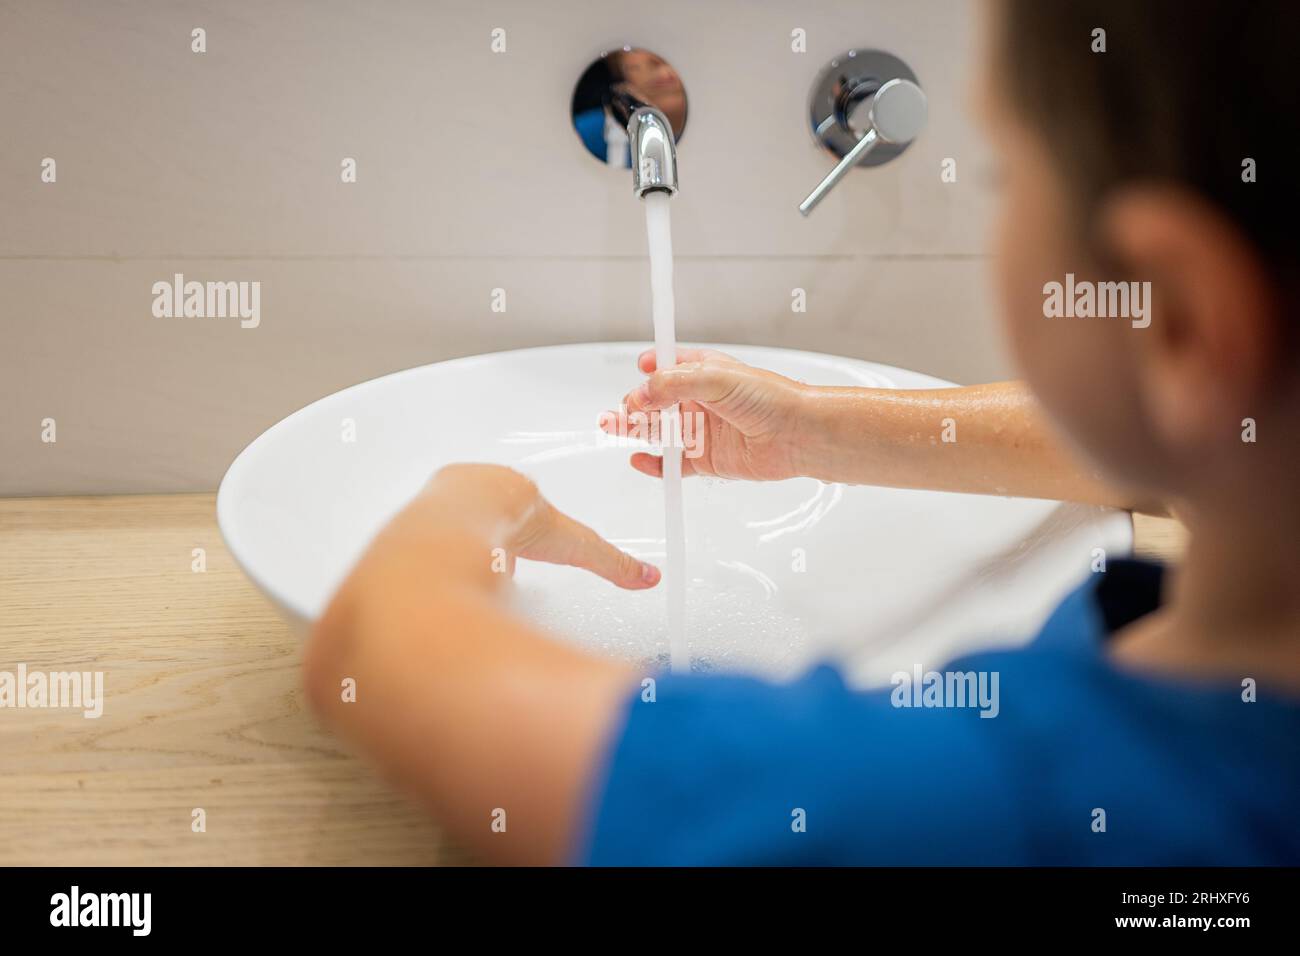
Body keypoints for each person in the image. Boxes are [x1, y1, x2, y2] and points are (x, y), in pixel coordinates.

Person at [304, 0, 1300, 865]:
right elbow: (1225, 439)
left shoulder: (967, 799)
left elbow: (375, 650)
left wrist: (475, 499)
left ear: (1173, 312)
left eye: (1002, 171)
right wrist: (819, 431)